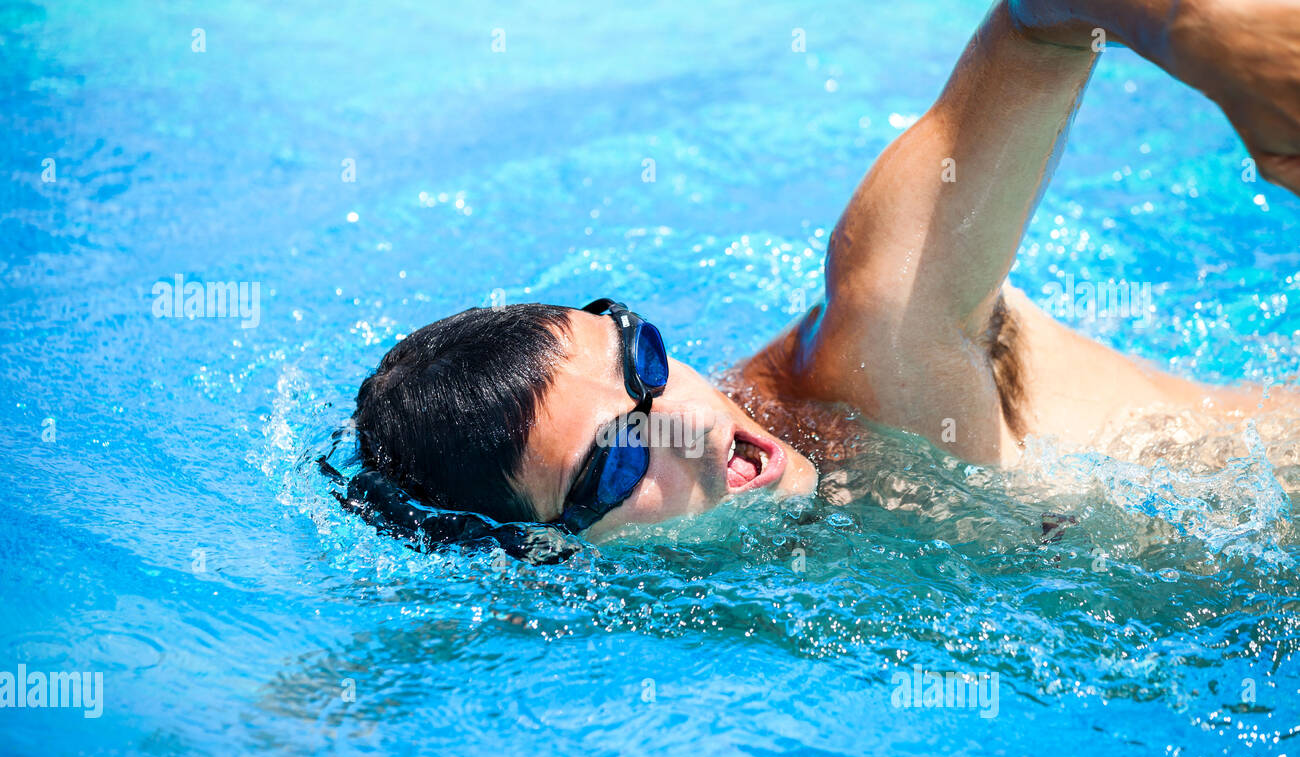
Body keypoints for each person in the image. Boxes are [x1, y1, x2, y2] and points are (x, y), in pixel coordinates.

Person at [350, 0, 1300, 548]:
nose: (684, 414)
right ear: (548, 553)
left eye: (641, 360)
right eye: (619, 459)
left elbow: (1042, 18)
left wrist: (1192, 27)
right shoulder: (692, 589)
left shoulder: (876, 344)